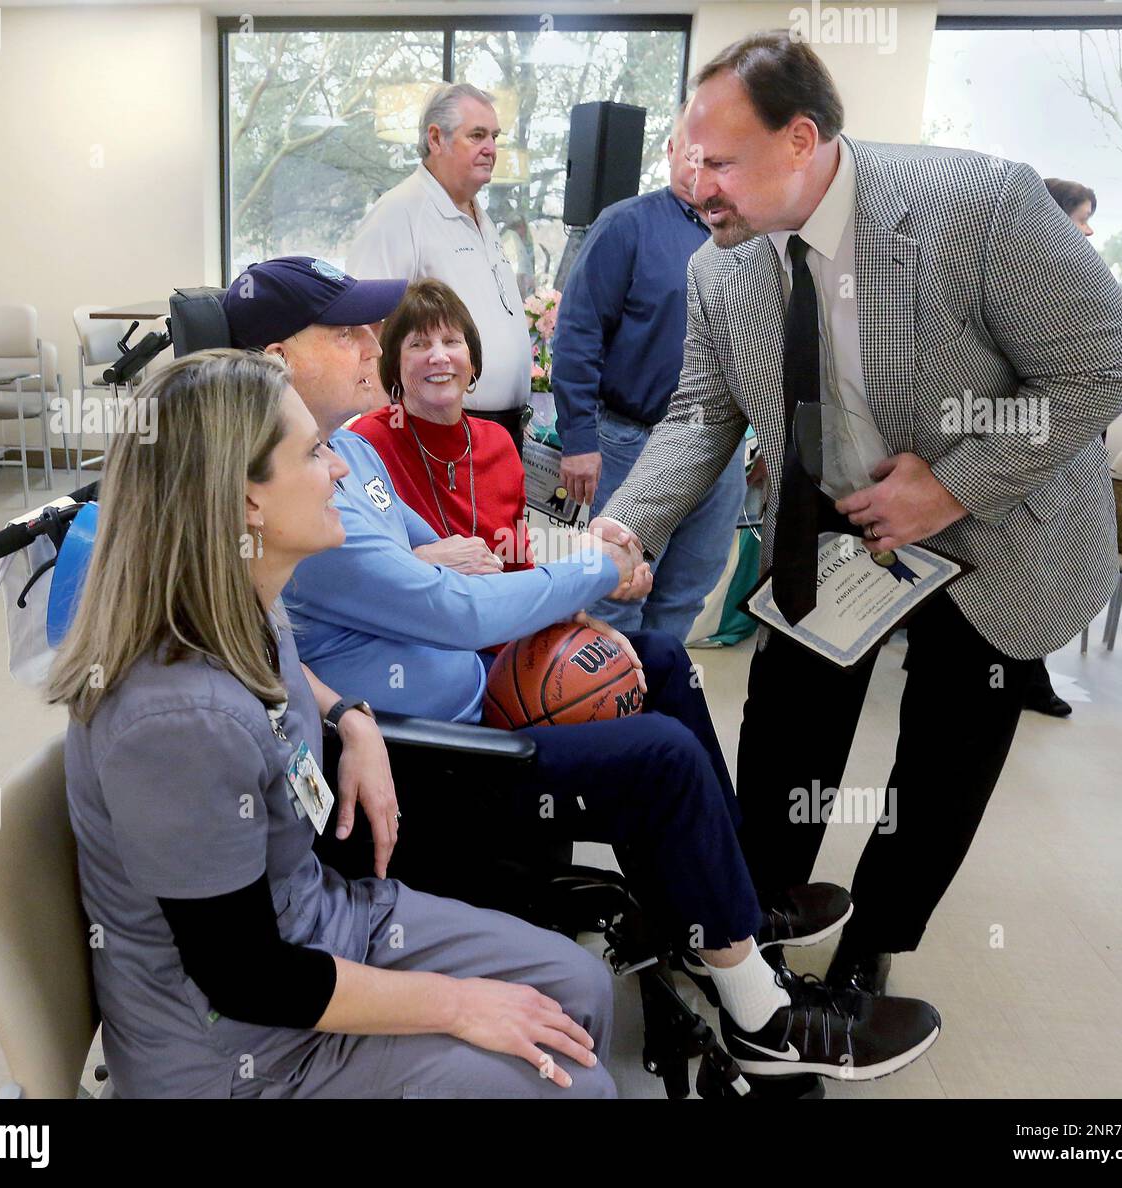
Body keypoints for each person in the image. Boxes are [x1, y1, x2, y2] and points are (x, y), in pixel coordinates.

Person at [221, 253, 944, 1085]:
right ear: (276, 361)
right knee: (661, 761)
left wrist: (488, 583)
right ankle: (761, 1020)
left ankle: (725, 904)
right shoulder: (297, 501)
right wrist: (596, 567)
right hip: (436, 748)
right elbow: (448, 604)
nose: (368, 345)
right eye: (345, 333)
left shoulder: (349, 457)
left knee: (661, 660)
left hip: (467, 683)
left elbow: (452, 572)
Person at [589, 32, 1122, 999]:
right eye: (689, 159)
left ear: (800, 139)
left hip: (998, 537)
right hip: (835, 534)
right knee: (783, 740)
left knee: (941, 763)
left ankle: (872, 949)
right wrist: (625, 525)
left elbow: (1103, 366)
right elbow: (698, 417)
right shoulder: (721, 270)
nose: (695, 185)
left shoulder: (979, 208)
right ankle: (753, 917)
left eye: (719, 162)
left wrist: (954, 484)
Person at [51, 347, 617, 1099]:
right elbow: (246, 978)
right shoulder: (177, 720)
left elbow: (288, 681)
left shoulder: (240, 597)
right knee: (566, 1080)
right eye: (316, 453)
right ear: (248, 500)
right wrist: (456, 1005)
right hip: (244, 1050)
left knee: (580, 987)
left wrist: (351, 719)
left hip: (321, 917)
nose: (343, 469)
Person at [553, 105, 747, 641]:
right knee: (615, 591)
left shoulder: (746, 236)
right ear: (668, 151)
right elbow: (577, 333)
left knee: (686, 593)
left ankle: (658, 706)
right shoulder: (626, 225)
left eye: (717, 158)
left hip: (719, 448)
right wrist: (578, 439)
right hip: (628, 442)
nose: (702, 167)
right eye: (691, 153)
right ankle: (608, 713)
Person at [348, 83, 531, 453]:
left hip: (498, 432)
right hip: (429, 436)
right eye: (477, 135)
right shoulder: (399, 213)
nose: (491, 149)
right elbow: (364, 332)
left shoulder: (482, 217)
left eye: (494, 137)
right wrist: (387, 435)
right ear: (436, 138)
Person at [352, 279, 532, 574]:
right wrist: (422, 560)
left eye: (451, 341)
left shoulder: (499, 442)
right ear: (394, 366)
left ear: (472, 361)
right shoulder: (366, 442)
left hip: (501, 610)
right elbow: (351, 567)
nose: (439, 357)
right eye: (418, 344)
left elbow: (521, 566)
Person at [1019, 177, 1105, 719]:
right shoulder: (1035, 288)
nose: (1090, 230)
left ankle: (1026, 670)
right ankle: (1027, 672)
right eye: (1080, 217)